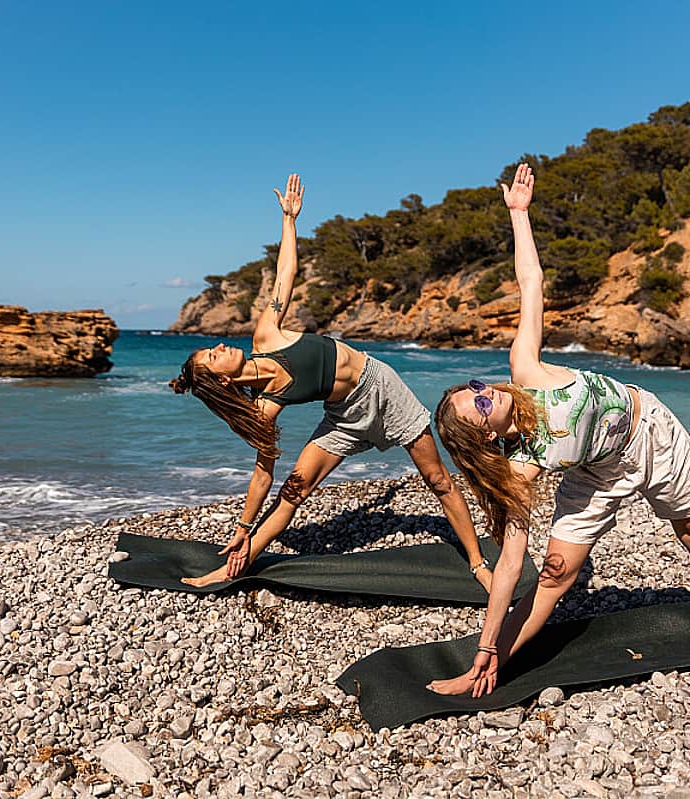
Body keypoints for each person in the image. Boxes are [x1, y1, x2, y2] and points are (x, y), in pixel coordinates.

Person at [428, 163, 690, 697]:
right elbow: (511, 564)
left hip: (651, 432)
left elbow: (530, 283)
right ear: (486, 437)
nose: (488, 391)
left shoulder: (525, 370)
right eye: (479, 405)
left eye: (476, 386)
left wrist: (519, 215)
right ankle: (490, 668)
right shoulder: (522, 467)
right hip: (597, 472)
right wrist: (484, 645)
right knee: (555, 574)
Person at [170, 173, 493, 590]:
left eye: (212, 348)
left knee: (438, 480)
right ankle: (235, 566)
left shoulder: (266, 335)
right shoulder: (265, 406)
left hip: (383, 389)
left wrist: (289, 221)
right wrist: (244, 527)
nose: (218, 346)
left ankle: (476, 562)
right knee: (292, 492)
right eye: (212, 357)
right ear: (222, 383)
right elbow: (262, 476)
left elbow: (285, 273)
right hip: (344, 417)